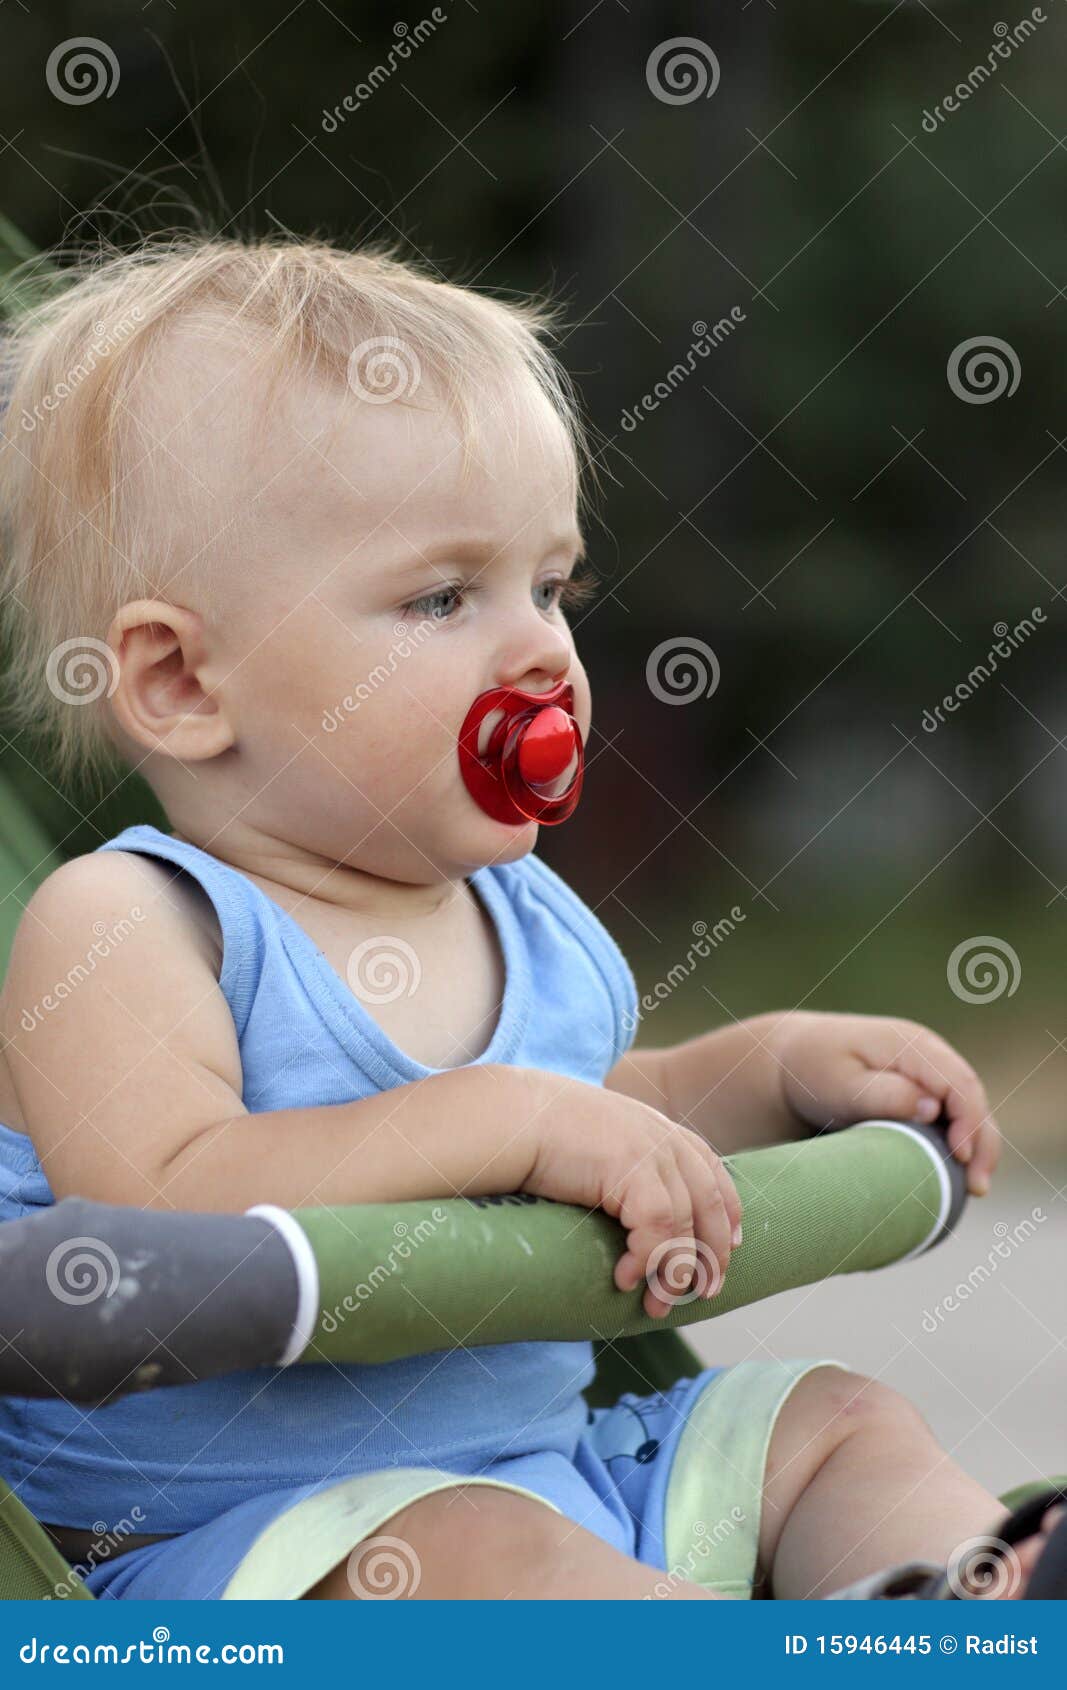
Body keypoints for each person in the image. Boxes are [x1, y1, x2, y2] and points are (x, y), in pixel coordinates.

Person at [0, 234, 1060, 1601]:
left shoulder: (519, 915)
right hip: (254, 1555)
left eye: (551, 586)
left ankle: (962, 1607)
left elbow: (614, 1110)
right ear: (182, 681)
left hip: (552, 1478)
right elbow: (160, 1199)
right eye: (443, 596)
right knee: (476, 1549)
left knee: (833, 1418)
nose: (545, 650)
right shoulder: (132, 926)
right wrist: (514, 1120)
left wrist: (768, 1068)